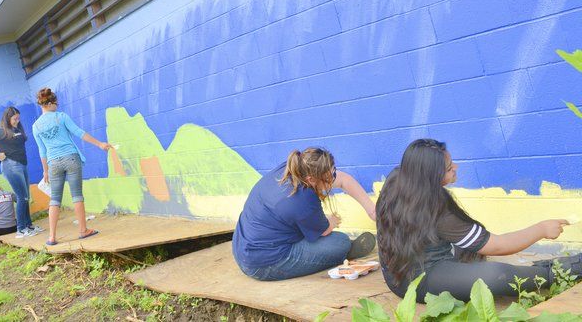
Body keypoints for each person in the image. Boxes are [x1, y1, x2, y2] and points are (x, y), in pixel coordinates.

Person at [376, 138, 581, 302]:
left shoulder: (399, 178)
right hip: (419, 281)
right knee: (496, 276)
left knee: (472, 250)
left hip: (397, 274)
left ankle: (546, 266)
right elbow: (497, 246)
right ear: (430, 176)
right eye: (448, 168)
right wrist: (542, 229)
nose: (455, 166)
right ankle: (561, 272)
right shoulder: (435, 208)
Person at [232, 147, 377, 281]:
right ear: (311, 180)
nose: (334, 177)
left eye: (334, 171)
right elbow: (324, 230)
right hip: (262, 264)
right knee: (340, 242)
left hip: (243, 247)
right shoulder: (303, 198)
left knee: (311, 230)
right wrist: (331, 221)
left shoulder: (291, 168)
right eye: (330, 177)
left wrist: (372, 210)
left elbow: (344, 179)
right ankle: (343, 254)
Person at [32, 88, 111, 246]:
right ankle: (83, 230)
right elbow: (79, 132)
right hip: (71, 158)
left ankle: (52, 237)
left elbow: (42, 151)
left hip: (53, 163)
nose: (57, 106)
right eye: (56, 103)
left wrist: (45, 171)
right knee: (77, 195)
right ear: (51, 103)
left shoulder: (36, 126)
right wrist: (100, 144)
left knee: (54, 199)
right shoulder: (61, 117)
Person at [0, 107, 42, 238]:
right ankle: (20, 229)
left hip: (22, 164)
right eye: (14, 119)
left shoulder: (17, 128)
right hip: (10, 166)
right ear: (7, 118)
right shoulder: (1, 130)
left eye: (18, 118)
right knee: (21, 197)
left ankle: (28, 226)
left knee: (26, 197)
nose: (17, 121)